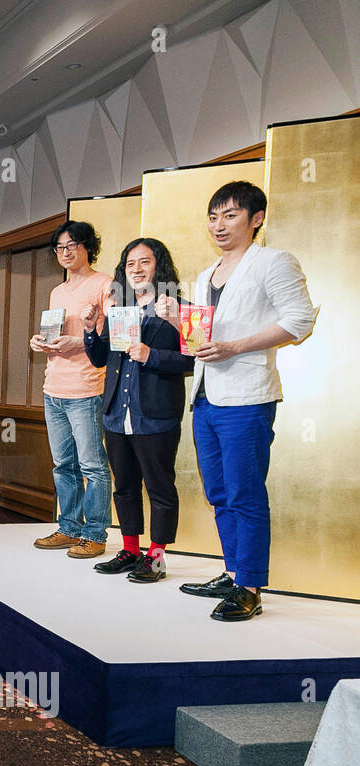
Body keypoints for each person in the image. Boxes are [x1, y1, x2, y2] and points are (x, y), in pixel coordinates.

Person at [179, 181, 316, 622]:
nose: (219, 225)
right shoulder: (206, 274)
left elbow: (299, 321)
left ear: (256, 219)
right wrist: (178, 320)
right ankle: (234, 569)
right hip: (205, 396)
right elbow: (203, 336)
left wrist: (236, 346)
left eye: (231, 215)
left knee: (244, 492)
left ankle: (250, 585)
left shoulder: (274, 262)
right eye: (214, 216)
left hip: (247, 397)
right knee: (219, 491)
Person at [84, 238, 193, 583]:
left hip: (156, 414)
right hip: (117, 413)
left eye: (144, 262)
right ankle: (131, 550)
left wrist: (153, 356)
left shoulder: (178, 307)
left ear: (159, 266)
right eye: (130, 264)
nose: (136, 270)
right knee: (125, 486)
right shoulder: (120, 309)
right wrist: (91, 329)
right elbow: (102, 357)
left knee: (160, 488)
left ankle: (157, 557)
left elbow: (196, 357)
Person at [30, 221, 115, 559]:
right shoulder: (58, 291)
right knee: (63, 464)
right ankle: (69, 527)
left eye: (71, 246)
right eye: (59, 248)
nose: (65, 253)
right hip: (54, 387)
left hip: (86, 388)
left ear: (87, 247)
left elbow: (111, 340)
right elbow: (53, 335)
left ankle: (95, 534)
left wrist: (76, 341)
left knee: (92, 465)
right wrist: (41, 341)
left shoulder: (105, 284)